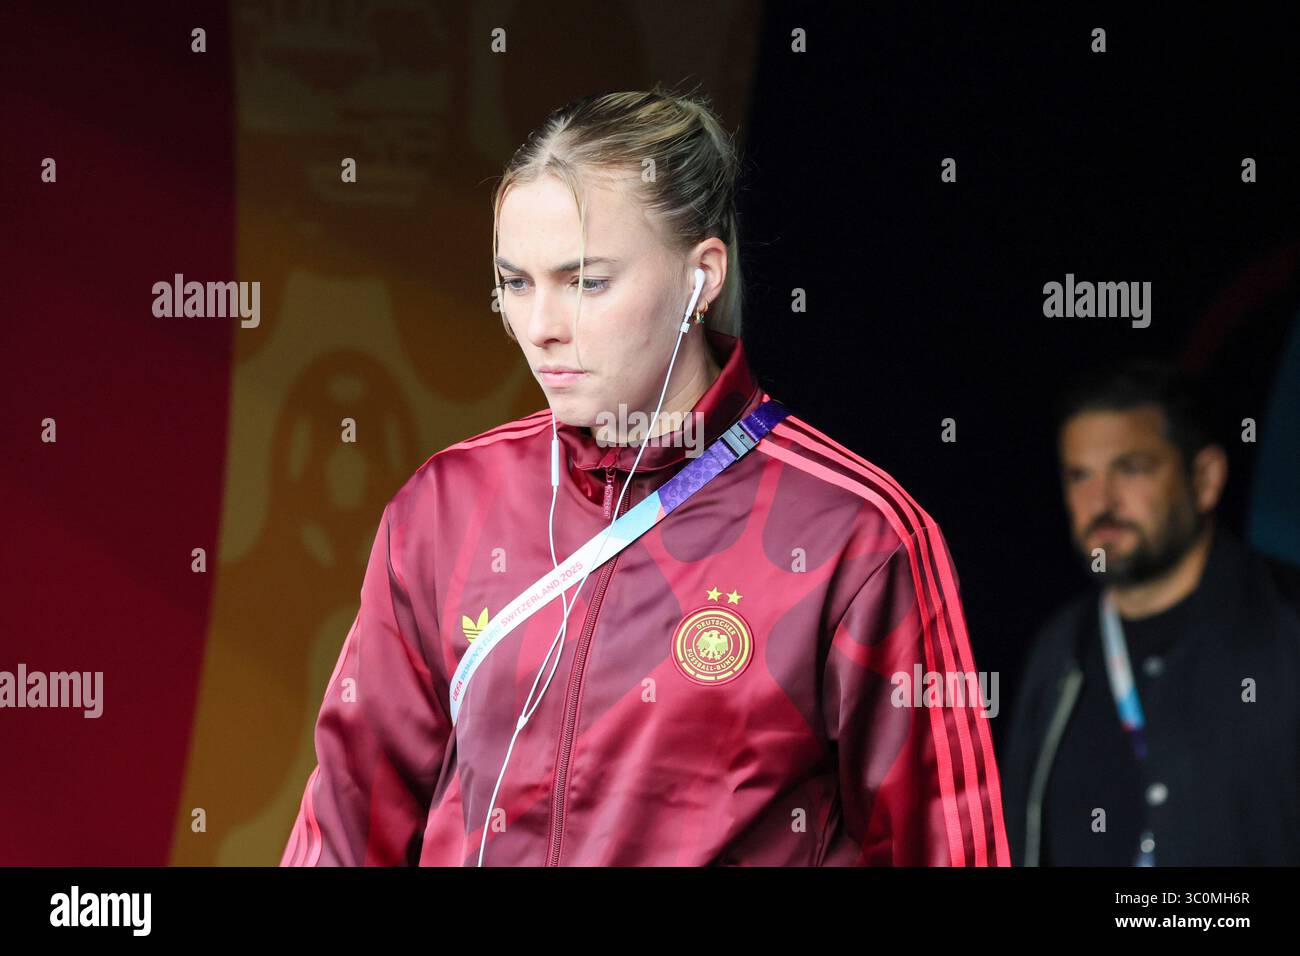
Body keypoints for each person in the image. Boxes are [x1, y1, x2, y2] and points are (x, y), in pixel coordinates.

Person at [280, 85, 1008, 866]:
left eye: (586, 281)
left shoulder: (856, 536)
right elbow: (347, 826)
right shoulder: (448, 504)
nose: (541, 327)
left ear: (702, 278)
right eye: (516, 282)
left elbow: (947, 848)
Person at [1000, 360, 1300, 865]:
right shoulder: (1060, 649)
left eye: (1131, 468)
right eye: (1080, 475)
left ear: (1204, 478)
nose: (1101, 502)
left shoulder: (1287, 626)